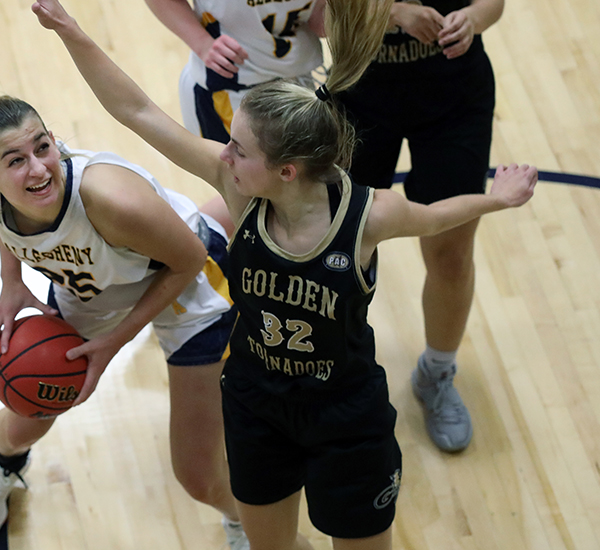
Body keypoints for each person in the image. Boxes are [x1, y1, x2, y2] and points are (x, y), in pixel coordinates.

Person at [31, 0, 536, 548]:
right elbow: (138, 112)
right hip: (257, 403)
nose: (223, 156)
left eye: (238, 148)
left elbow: (438, 216)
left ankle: (434, 377)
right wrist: (71, 32)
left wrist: (498, 200)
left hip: (346, 414)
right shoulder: (241, 193)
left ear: (285, 171)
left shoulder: (368, 214)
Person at [0, 96, 250, 547]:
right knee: (27, 414)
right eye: (16, 161)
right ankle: (4, 465)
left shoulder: (109, 199)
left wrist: (116, 341)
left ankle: (239, 520)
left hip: (183, 280)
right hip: (97, 286)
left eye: (43, 148)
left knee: (197, 475)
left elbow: (189, 260)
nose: (38, 169)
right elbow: (9, 221)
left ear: (56, 141)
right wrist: (10, 281)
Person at [336, 0, 505, 453]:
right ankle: (334, 371)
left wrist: (474, 19)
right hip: (360, 86)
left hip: (454, 96)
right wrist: (390, 12)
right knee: (341, 247)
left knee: (451, 252)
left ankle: (437, 372)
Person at [146, 0, 327, 235]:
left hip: (293, 81)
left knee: (289, 194)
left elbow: (318, 23)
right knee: (254, 198)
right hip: (231, 91)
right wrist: (201, 42)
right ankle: (178, 248)